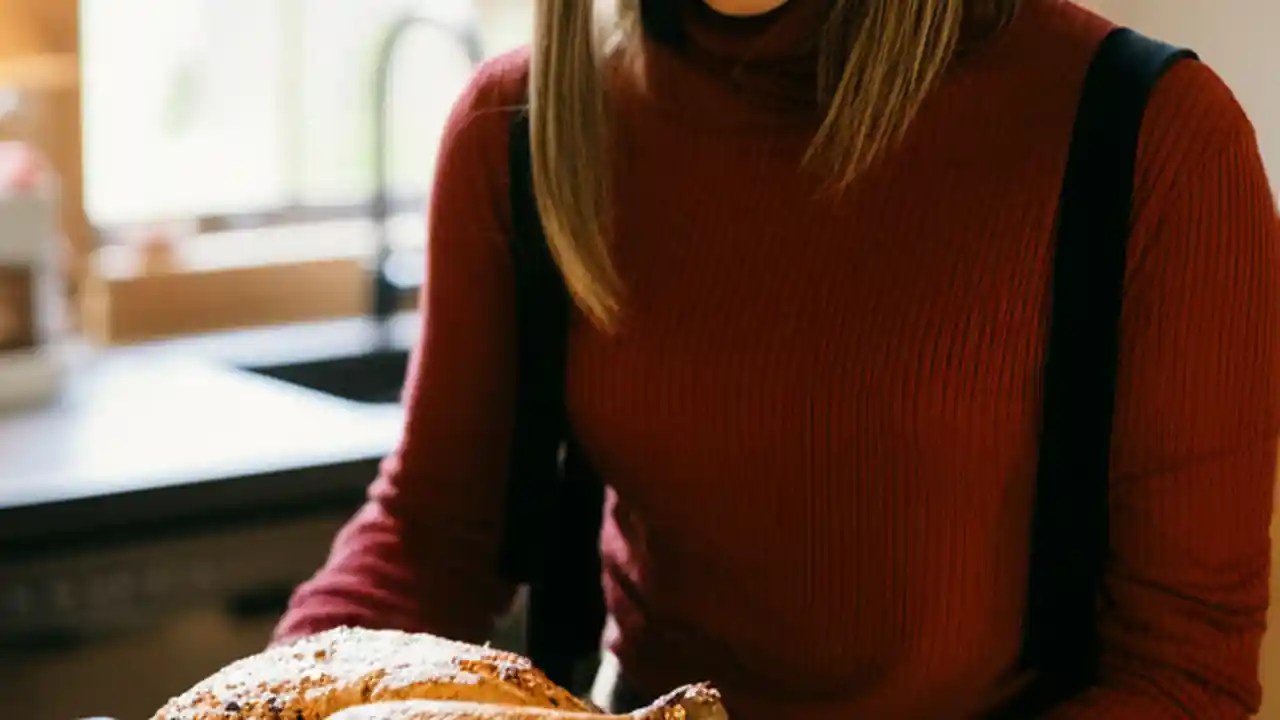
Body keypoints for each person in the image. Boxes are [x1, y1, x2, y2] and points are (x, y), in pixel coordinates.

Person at [274, 0, 1280, 717]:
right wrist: (252, 702)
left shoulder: (1151, 138)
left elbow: (1179, 677)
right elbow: (432, 534)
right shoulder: (525, 129)